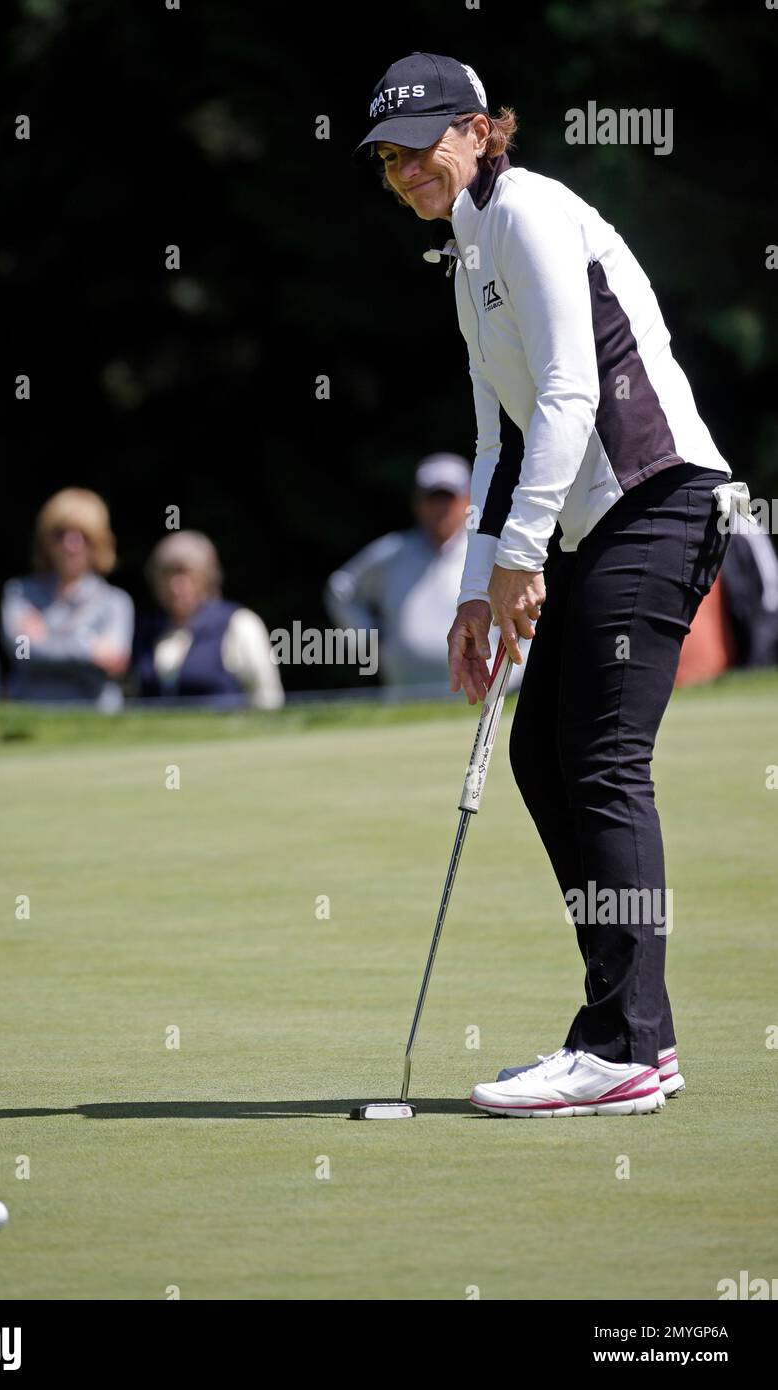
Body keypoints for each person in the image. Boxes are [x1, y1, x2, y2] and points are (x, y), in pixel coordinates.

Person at [356, 51, 748, 1116]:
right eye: (388, 158)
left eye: (422, 142)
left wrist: (525, 554)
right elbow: (495, 441)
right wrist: (480, 592)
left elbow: (571, 389)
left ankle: (617, 1045)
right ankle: (634, 1036)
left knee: (599, 759)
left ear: (481, 130)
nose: (405, 169)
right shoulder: (465, 255)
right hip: (592, 521)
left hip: (656, 498)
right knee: (542, 750)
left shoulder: (527, 212)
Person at [325, 453, 527, 691]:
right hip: (403, 695)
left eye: (448, 498)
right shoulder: (394, 552)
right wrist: (369, 642)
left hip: (477, 692)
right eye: (433, 498)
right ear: (418, 503)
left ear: (467, 501)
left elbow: (527, 606)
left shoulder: (488, 551)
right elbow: (341, 588)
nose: (441, 508)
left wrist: (515, 670)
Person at [2, 488, 133, 710]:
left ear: (100, 542)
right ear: (46, 541)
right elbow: (23, 653)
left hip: (95, 721)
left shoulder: (115, 601)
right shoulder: (21, 592)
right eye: (60, 534)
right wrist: (89, 646)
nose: (71, 545)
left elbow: (113, 661)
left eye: (84, 536)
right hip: (31, 718)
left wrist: (46, 637)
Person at [135, 530, 284, 709]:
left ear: (207, 576)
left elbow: (267, 697)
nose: (175, 585)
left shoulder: (240, 623)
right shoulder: (147, 630)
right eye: (167, 574)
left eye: (184, 573)